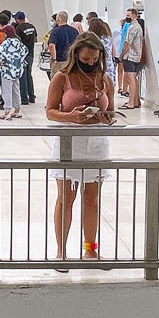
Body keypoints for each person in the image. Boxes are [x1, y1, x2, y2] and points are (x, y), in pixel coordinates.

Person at [46, 28, 114, 264]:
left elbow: (111, 110)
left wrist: (107, 117)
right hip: (69, 143)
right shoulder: (61, 77)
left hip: (96, 144)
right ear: (76, 55)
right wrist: (70, 117)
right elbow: (50, 111)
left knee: (91, 200)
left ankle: (90, 248)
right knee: (66, 198)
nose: (90, 63)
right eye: (86, 59)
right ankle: (61, 250)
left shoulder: (105, 79)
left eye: (95, 59)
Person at [0, 23, 27, 119]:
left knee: (6, 91)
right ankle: (17, 110)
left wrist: (4, 62)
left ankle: (7, 111)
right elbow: (25, 51)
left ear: (6, 33)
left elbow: (0, 56)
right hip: (17, 70)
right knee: (16, 90)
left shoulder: (5, 44)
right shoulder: (19, 42)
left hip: (7, 71)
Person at [118, 9, 144, 108]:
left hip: (130, 56)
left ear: (134, 15)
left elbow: (127, 43)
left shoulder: (132, 28)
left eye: (128, 15)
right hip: (137, 56)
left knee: (131, 79)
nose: (127, 17)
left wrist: (121, 55)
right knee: (135, 79)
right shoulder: (139, 27)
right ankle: (136, 101)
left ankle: (131, 103)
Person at [13, 11, 38, 104]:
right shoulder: (32, 26)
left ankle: (24, 99)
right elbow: (36, 40)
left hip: (22, 55)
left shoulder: (18, 28)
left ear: (18, 19)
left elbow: (17, 42)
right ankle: (32, 97)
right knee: (29, 75)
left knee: (22, 76)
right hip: (30, 54)